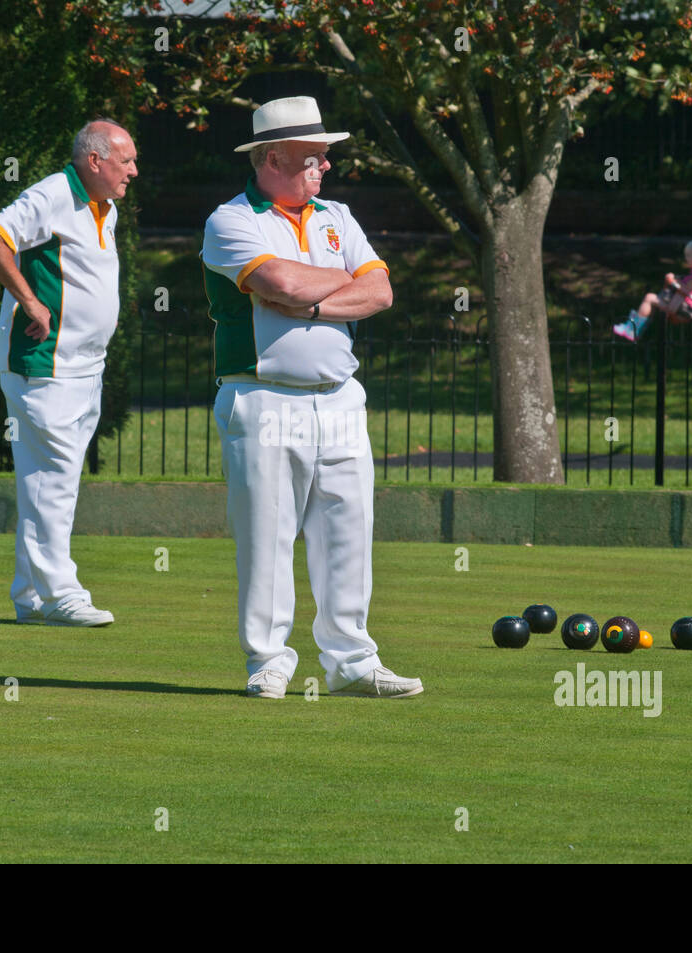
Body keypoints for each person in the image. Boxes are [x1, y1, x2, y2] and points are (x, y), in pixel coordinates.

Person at [201, 95, 423, 699]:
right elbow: (278, 281)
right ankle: (267, 660)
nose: (326, 168)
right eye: (314, 159)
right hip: (263, 396)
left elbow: (380, 291)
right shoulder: (232, 220)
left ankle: (352, 661)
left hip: (341, 397)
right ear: (274, 157)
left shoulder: (338, 215)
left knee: (349, 530)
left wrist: (316, 302)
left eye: (325, 158)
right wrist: (335, 282)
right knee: (268, 534)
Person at [0, 119, 137, 627]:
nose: (133, 170)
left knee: (50, 478)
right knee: (54, 479)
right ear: (95, 161)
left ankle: (31, 594)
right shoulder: (51, 195)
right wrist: (29, 302)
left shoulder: (104, 207)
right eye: (125, 161)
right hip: (46, 365)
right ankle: (61, 592)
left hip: (87, 366)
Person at [613, 239, 692, 341]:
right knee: (654, 299)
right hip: (685, 306)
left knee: (649, 298)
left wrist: (672, 281)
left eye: (689, 255)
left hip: (684, 308)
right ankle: (635, 327)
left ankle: (632, 330)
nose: (686, 258)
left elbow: (687, 290)